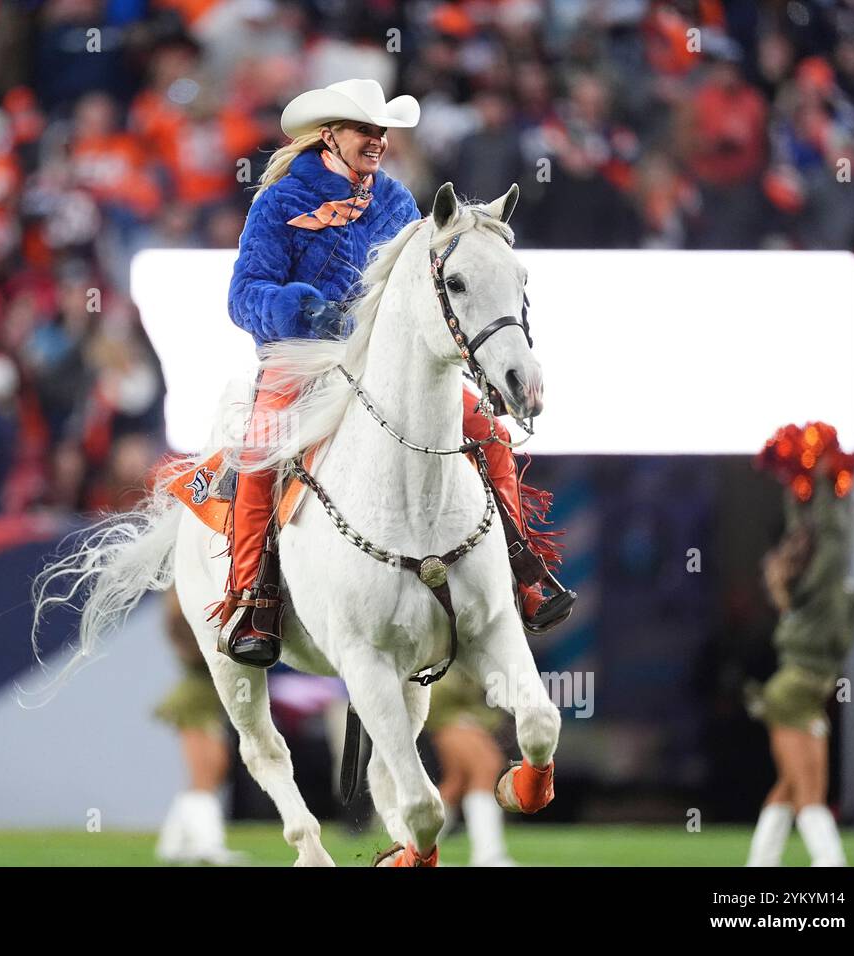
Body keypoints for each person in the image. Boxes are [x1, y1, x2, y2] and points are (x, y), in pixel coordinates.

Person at [219, 78, 574, 668]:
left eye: (382, 132)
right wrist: (304, 309)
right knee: (262, 450)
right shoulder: (277, 202)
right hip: (303, 358)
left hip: (381, 362)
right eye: (366, 130)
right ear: (329, 135)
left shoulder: (396, 201)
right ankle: (252, 596)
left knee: (488, 432)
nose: (378, 141)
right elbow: (243, 296)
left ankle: (523, 565)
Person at [745, 422, 854, 867]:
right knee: (810, 789)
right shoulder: (817, 583)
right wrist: (827, 479)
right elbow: (831, 536)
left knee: (792, 787)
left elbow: (806, 528)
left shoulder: (807, 579)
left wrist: (798, 480)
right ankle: (831, 863)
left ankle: (761, 864)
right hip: (794, 691)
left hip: (806, 689)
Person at [152, 587, 239, 864]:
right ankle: (208, 844)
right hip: (196, 699)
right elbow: (182, 636)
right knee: (207, 769)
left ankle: (173, 843)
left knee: (209, 770)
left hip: (207, 698)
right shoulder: (181, 610)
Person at [425, 668, 515, 866]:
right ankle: (488, 857)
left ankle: (414, 853)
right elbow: (440, 686)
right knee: (488, 769)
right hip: (445, 714)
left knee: (456, 783)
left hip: (454, 714)